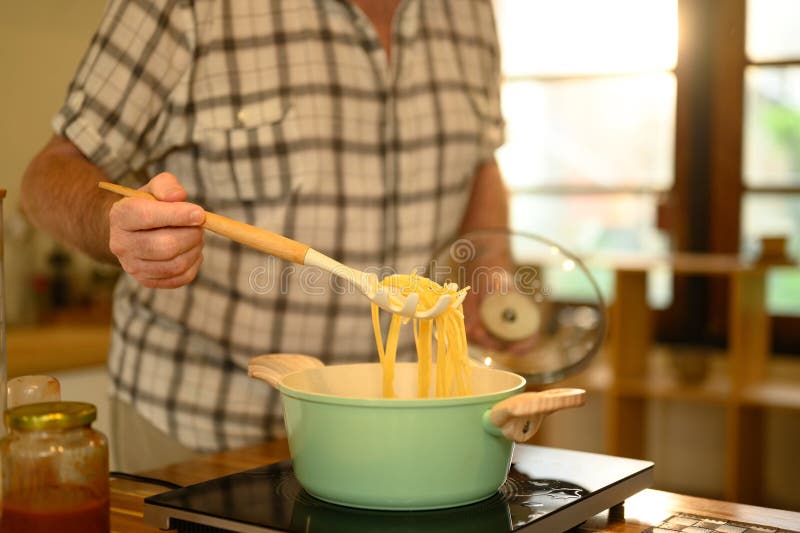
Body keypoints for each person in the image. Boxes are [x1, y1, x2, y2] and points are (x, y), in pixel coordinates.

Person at [20, 0, 508, 472]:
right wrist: (117, 223)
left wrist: (489, 264)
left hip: (405, 425)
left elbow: (480, 159)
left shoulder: (469, 8)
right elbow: (48, 176)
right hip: (202, 431)